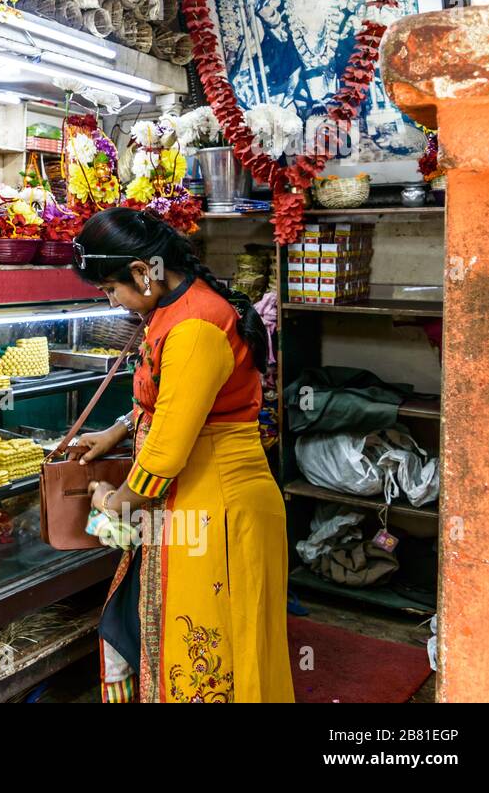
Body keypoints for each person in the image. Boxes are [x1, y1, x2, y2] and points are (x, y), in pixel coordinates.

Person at [72, 207, 294, 703]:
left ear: (139, 272)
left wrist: (115, 504)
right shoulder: (174, 308)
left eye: (110, 289)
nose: (111, 301)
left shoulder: (194, 326)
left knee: (210, 648)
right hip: (193, 501)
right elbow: (173, 402)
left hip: (218, 508)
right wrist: (120, 428)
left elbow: (166, 455)